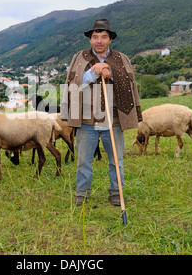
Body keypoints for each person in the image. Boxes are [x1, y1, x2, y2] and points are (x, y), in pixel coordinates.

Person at [61, 19, 143, 206]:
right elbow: (74, 83)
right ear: (90, 39)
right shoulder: (79, 58)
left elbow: (128, 82)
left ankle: (116, 192)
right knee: (83, 161)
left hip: (112, 120)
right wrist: (93, 72)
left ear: (110, 40)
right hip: (87, 121)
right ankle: (82, 192)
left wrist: (110, 71)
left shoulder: (121, 59)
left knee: (116, 160)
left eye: (103, 37)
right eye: (95, 37)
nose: (99, 41)